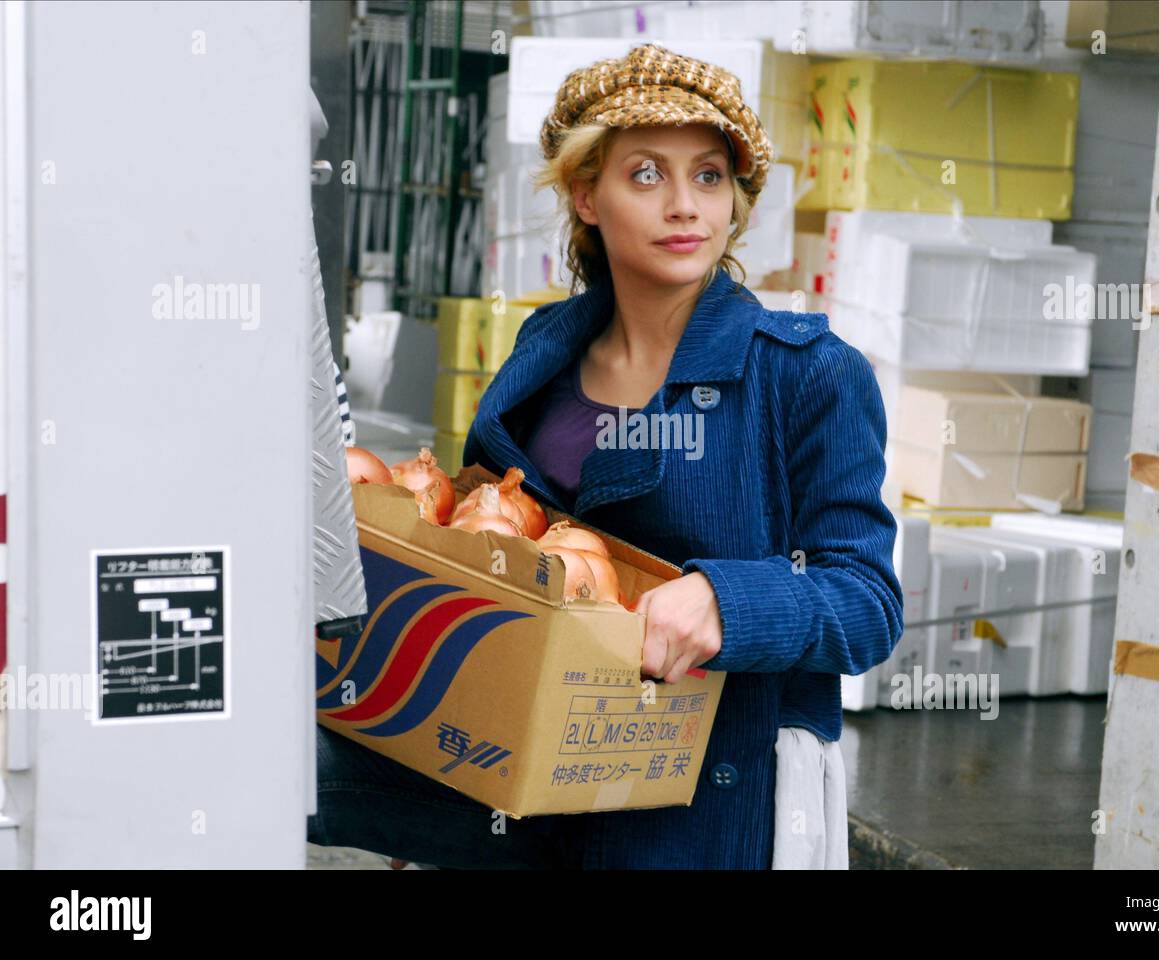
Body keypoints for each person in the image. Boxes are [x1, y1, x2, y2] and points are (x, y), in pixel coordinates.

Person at [309, 42, 903, 870]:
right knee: (284, 759)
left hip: (702, 808)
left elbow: (868, 603)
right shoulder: (543, 350)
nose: (685, 205)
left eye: (709, 175)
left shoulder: (805, 375)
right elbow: (492, 553)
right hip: (527, 777)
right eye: (647, 174)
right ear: (587, 194)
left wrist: (727, 602)